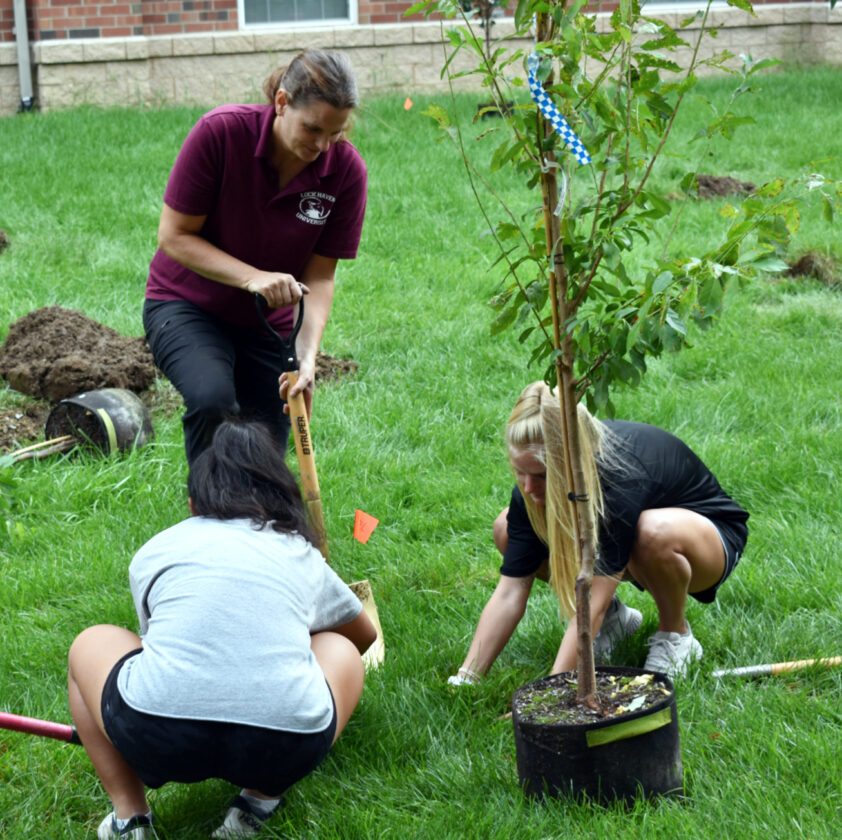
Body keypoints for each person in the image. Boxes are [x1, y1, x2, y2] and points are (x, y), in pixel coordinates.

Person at [67, 421, 377, 839]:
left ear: (194, 504)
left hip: (154, 735)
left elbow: (149, 642)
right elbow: (363, 635)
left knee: (91, 642)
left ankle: (130, 817)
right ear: (278, 497)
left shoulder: (158, 547)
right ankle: (258, 802)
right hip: (286, 744)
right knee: (339, 647)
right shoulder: (297, 550)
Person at [143, 49, 368, 465]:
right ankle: (204, 501)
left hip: (268, 322)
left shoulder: (346, 171)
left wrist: (306, 358)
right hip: (186, 304)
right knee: (213, 400)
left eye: (335, 133)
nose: (322, 146)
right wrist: (253, 278)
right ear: (282, 102)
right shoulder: (221, 133)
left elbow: (320, 277)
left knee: (264, 439)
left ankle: (254, 508)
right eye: (313, 128)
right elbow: (174, 236)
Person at [449, 381, 748, 684]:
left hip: (706, 540)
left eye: (541, 475)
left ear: (571, 462)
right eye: (519, 472)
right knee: (506, 527)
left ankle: (676, 636)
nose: (528, 487)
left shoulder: (617, 481)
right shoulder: (532, 490)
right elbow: (510, 592)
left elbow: (593, 602)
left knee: (650, 532)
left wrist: (552, 689)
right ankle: (617, 621)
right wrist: (467, 678)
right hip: (631, 542)